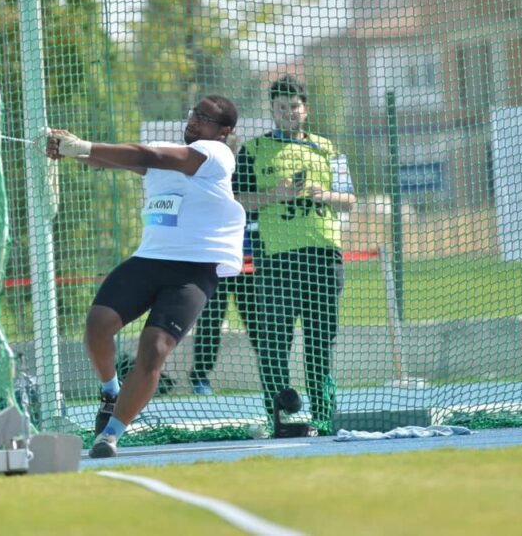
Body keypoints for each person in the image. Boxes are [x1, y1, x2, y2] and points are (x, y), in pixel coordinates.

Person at [44, 95, 245, 458]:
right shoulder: (171, 157)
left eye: (204, 118)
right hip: (149, 260)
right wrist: (73, 150)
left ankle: (110, 435)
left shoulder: (215, 155)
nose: (194, 121)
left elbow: (148, 155)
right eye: (193, 114)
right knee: (97, 326)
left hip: (193, 270)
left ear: (224, 131)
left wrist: (85, 146)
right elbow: (131, 160)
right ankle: (110, 392)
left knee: (153, 349)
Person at [234, 76, 356, 434]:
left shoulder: (327, 149)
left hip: (324, 256)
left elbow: (349, 199)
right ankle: (280, 415)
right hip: (277, 259)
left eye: (294, 106)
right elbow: (238, 201)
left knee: (321, 338)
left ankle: (323, 414)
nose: (288, 112)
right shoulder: (254, 150)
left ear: (306, 109)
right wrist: (276, 195)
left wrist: (322, 195)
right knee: (275, 338)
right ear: (272, 110)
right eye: (280, 107)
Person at [187, 217, 259, 396]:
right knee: (210, 321)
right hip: (218, 266)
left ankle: (273, 375)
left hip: (250, 268)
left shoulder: (256, 191)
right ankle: (200, 377)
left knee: (258, 323)